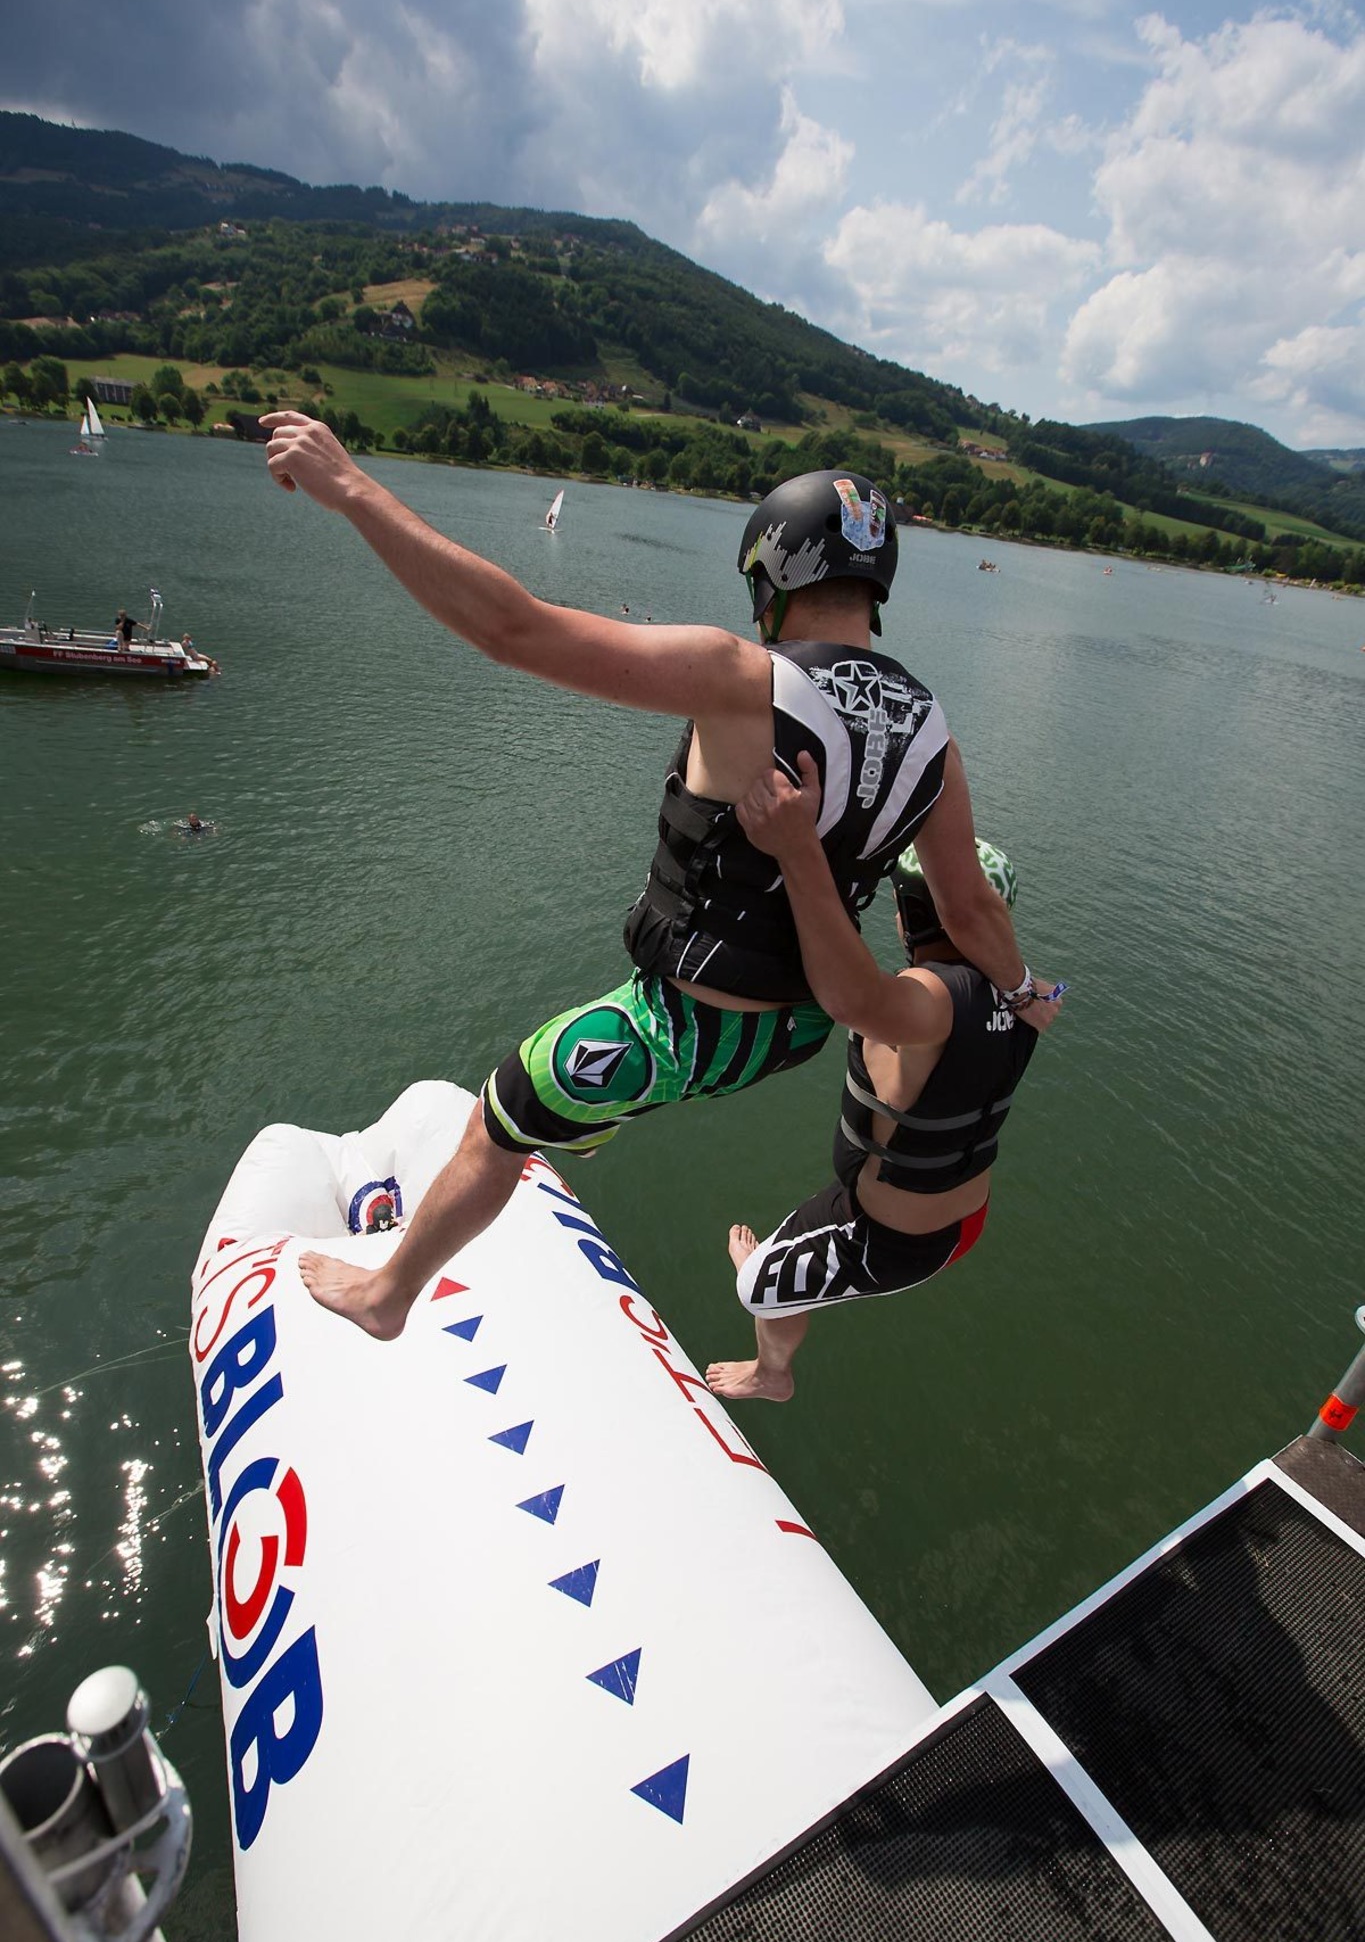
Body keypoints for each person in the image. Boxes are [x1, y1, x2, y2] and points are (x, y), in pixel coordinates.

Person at [258, 414, 1055, 1339]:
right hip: (792, 1029)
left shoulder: (737, 676)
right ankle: (597, 1116)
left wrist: (351, 488)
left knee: (500, 1116)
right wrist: (1020, 990)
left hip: (687, 1027)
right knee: (595, 1085)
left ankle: (386, 1295)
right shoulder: (933, 736)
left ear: (773, 574)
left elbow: (512, 629)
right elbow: (967, 908)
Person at [705, 756, 1062, 1401]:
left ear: (910, 914)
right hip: (960, 1217)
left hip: (889, 1238)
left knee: (754, 1288)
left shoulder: (925, 1000)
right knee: (786, 1252)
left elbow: (849, 996)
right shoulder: (1028, 997)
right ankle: (782, 1269)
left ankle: (773, 1375)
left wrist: (797, 849)